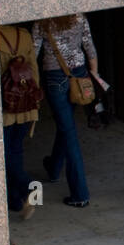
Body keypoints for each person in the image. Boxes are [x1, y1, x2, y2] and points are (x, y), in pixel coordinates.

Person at [31, 13, 102, 207]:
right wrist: (94, 75)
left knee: (68, 131)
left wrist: (33, 84)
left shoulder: (41, 21)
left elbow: (33, 53)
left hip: (55, 78)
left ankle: (80, 194)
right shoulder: (78, 17)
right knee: (66, 126)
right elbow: (90, 48)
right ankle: (53, 167)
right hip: (79, 75)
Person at [0, 24, 41, 238]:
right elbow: (34, 70)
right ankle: (15, 202)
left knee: (4, 156)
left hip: (5, 108)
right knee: (16, 152)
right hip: (25, 106)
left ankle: (27, 188)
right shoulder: (24, 36)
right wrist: (35, 105)